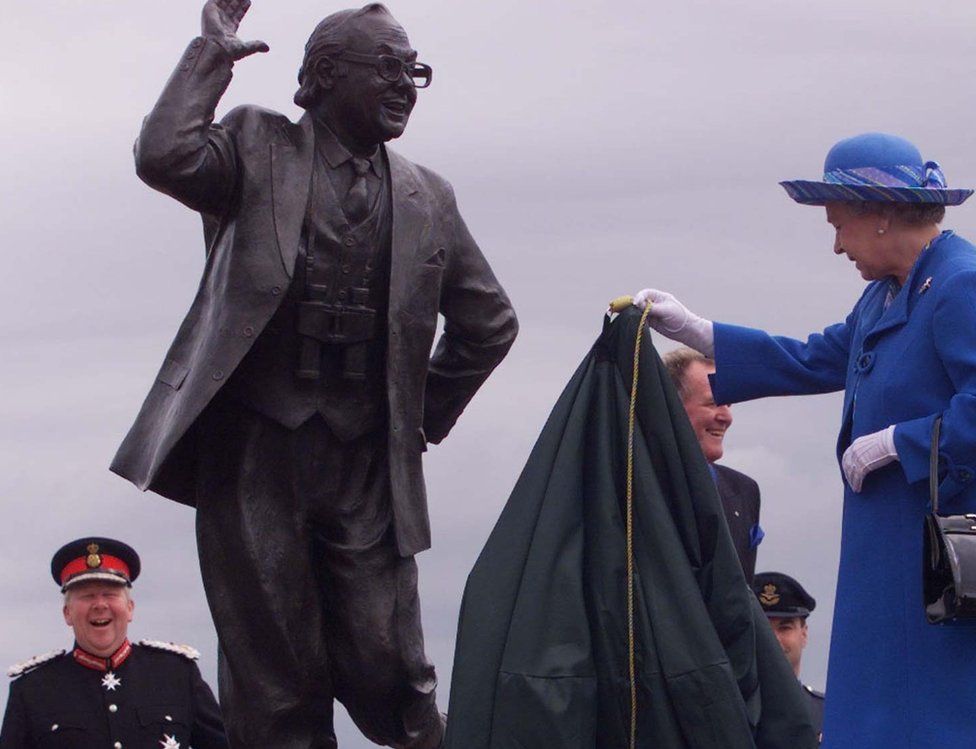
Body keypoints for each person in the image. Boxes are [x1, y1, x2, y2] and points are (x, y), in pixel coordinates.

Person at [109, 1, 517, 747]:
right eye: (389, 68)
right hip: (255, 449)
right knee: (275, 678)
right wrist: (212, 56)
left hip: (365, 461)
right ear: (325, 76)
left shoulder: (428, 194)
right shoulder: (258, 145)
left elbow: (490, 322)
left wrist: (419, 415)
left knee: (391, 664)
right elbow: (163, 156)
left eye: (414, 71)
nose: (406, 86)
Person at [633, 131, 976, 748]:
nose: (836, 243)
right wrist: (701, 331)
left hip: (937, 553)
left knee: (934, 713)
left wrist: (905, 442)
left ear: (882, 216)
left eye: (839, 224)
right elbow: (813, 359)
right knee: (878, 711)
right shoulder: (884, 296)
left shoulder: (959, 283)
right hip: (890, 547)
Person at [0, 537, 226, 749]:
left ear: (130, 609)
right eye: (87, 596)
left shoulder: (177, 675)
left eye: (109, 594)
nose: (99, 604)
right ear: (67, 613)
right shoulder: (32, 690)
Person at [664, 347, 763, 581]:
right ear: (671, 407)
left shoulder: (744, 490)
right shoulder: (631, 481)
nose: (726, 417)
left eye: (728, 404)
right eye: (712, 403)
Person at [752, 572, 824, 742]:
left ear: (804, 634)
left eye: (785, 628)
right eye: (764, 629)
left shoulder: (828, 714)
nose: (774, 639)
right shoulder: (726, 711)